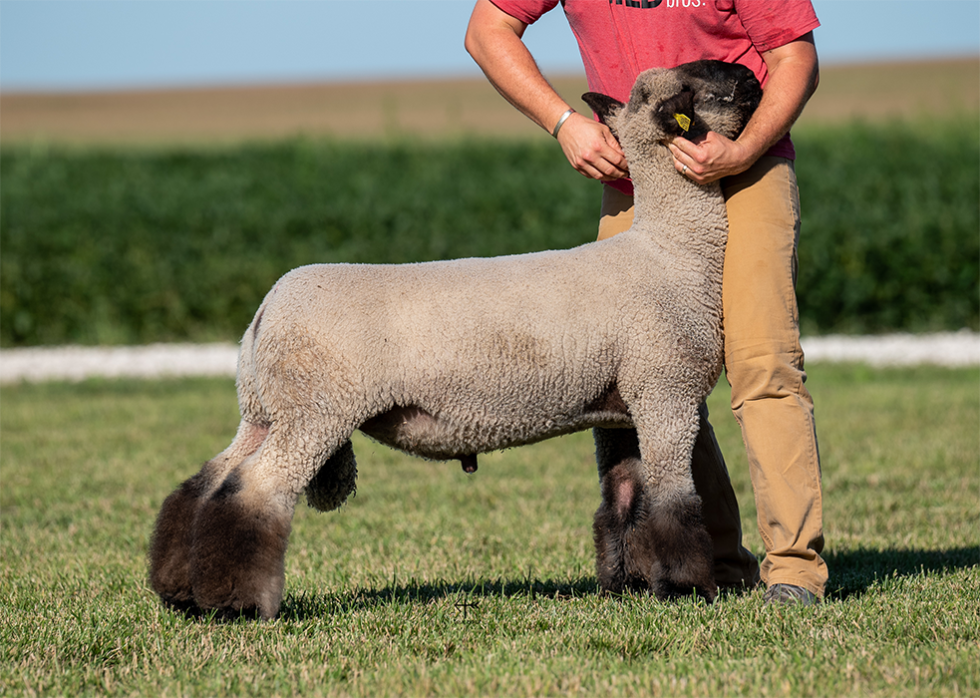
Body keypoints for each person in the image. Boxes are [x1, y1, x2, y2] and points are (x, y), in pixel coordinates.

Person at [465, 0, 827, 605]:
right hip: (642, 182)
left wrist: (742, 151)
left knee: (763, 364)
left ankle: (794, 570)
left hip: (745, 168)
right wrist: (564, 122)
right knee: (648, 384)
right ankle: (716, 564)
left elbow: (795, 57)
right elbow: (487, 30)